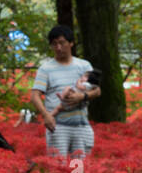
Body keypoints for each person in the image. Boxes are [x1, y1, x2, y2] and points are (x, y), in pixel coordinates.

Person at [31, 24, 97, 158]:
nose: (58, 47)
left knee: (77, 172)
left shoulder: (85, 65)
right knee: (57, 168)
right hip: (57, 126)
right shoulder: (45, 69)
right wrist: (46, 115)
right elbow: (35, 96)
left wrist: (82, 97)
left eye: (62, 43)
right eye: (54, 44)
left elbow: (97, 91)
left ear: (71, 43)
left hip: (81, 126)